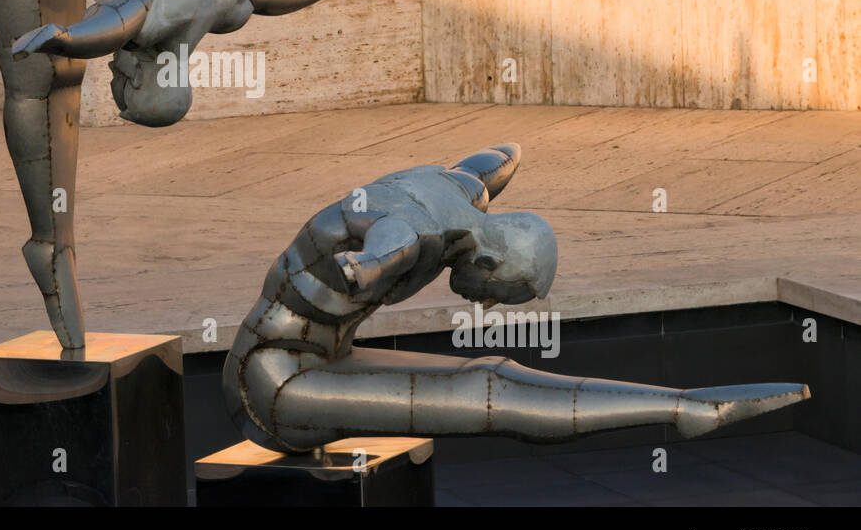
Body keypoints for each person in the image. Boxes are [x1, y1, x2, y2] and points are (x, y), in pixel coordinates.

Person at [0, 0, 340, 350]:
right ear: (145, 75)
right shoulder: (146, 8)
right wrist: (61, 38)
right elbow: (112, 23)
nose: (116, 76)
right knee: (37, 86)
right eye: (124, 86)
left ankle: (57, 247)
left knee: (57, 71)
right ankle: (50, 245)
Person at [223, 144, 809, 452]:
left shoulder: (458, 190)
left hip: (322, 355)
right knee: (487, 391)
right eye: (500, 296)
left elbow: (489, 160)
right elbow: (386, 243)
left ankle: (682, 405)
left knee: (485, 379)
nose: (485, 306)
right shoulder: (408, 233)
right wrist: (367, 264)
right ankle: (681, 407)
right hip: (271, 383)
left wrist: (505, 156)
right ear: (488, 262)